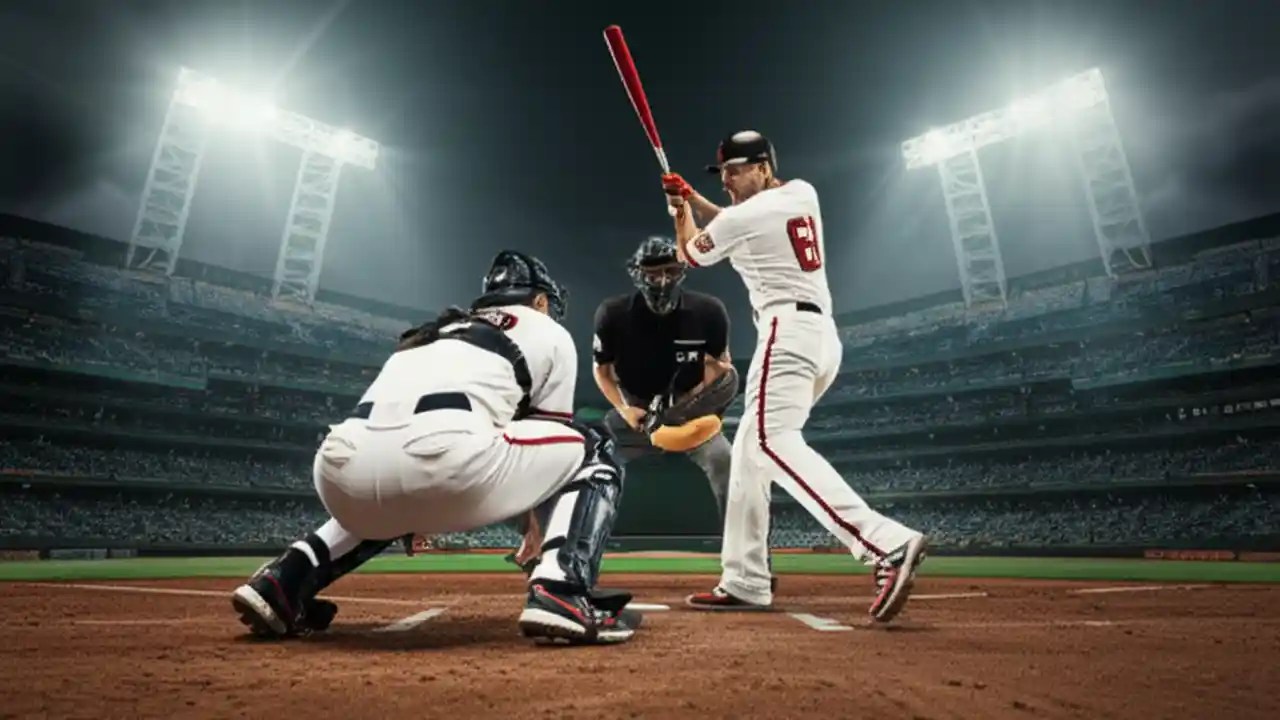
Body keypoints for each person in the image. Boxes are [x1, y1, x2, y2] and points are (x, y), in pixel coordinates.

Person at [230, 250, 640, 645]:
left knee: (396, 475)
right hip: (446, 467)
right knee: (594, 444)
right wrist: (537, 528)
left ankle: (283, 582)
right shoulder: (546, 328)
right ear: (539, 299)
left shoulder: (433, 333)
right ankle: (561, 588)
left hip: (339, 474)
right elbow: (551, 436)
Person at [660, 131, 928, 622]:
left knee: (769, 442)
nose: (727, 180)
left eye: (737, 170)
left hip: (786, 331)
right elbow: (737, 223)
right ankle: (745, 579)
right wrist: (694, 199)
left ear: (763, 168)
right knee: (747, 453)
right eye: (722, 173)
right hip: (820, 337)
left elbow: (688, 256)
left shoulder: (744, 216)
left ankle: (885, 543)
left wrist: (679, 212)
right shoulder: (801, 193)